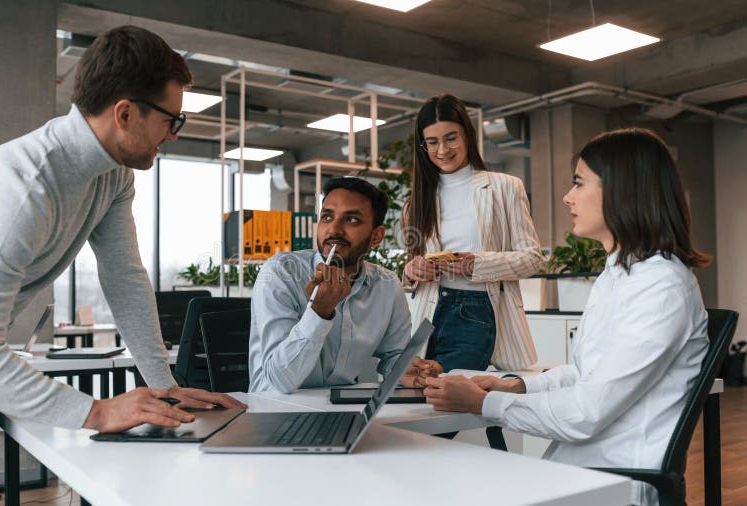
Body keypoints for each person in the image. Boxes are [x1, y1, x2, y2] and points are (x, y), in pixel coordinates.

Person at [0, 25, 245, 505]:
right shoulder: (19, 191)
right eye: (173, 119)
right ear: (125, 113)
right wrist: (99, 412)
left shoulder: (113, 176)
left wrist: (163, 386)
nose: (173, 132)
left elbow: (124, 276)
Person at [424, 128, 711, 505]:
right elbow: (585, 373)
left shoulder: (662, 288)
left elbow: (585, 413)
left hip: (616, 483)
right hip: (580, 469)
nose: (567, 197)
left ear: (623, 190)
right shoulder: (622, 274)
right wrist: (515, 386)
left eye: (579, 183)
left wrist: (481, 404)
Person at [249, 177, 440, 393]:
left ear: (376, 236)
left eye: (351, 220)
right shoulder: (281, 273)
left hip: (341, 408)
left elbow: (393, 355)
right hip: (273, 409)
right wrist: (319, 312)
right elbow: (279, 381)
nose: (334, 230)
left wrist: (405, 369)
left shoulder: (386, 285)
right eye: (327, 217)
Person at [403, 94, 543, 372]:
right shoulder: (416, 202)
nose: (442, 149)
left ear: (467, 135)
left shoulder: (505, 187)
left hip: (476, 309)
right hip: (428, 312)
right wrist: (411, 270)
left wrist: (475, 265)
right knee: (423, 397)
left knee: (448, 393)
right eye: (432, 142)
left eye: (451, 138)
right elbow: (413, 267)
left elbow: (533, 258)